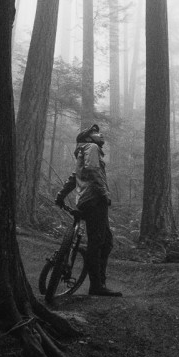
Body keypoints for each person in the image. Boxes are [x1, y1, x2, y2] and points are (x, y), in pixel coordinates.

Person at [55, 124, 122, 297]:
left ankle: (99, 282)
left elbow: (74, 177)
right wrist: (104, 193)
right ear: (88, 138)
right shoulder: (91, 147)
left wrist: (60, 196)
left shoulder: (82, 153)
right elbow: (93, 170)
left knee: (104, 241)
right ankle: (97, 286)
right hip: (95, 199)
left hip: (85, 200)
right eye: (96, 133)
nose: (100, 135)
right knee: (98, 242)